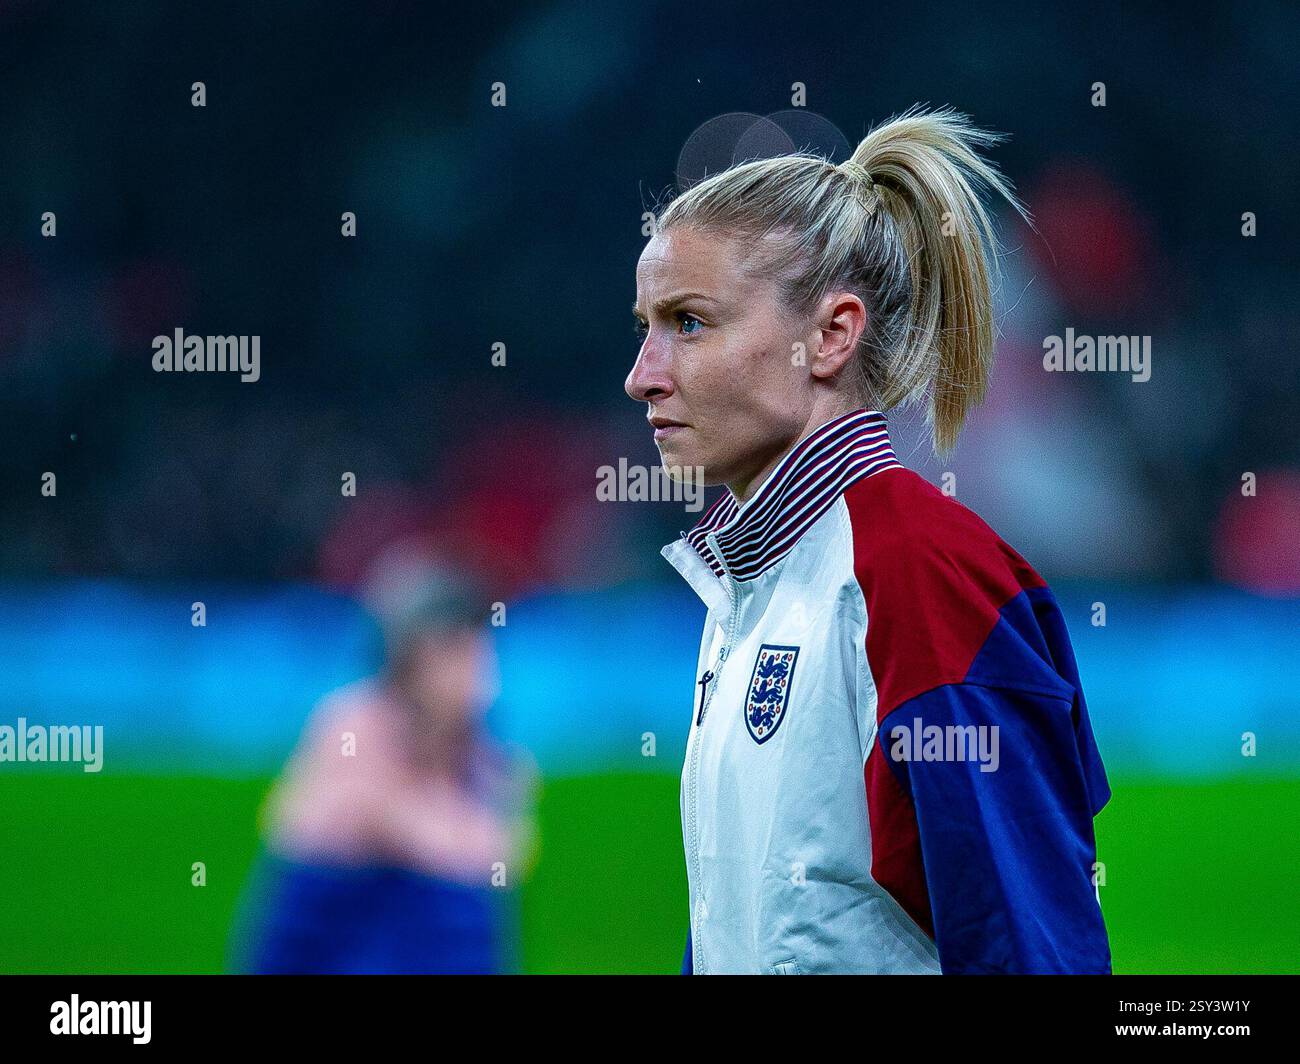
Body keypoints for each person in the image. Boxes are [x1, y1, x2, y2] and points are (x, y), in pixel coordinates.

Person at [626, 107, 1111, 974]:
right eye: (646, 328)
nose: (643, 376)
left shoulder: (920, 573)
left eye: (689, 323)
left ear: (831, 335)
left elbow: (1031, 947)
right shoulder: (749, 585)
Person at [233, 552, 533, 974]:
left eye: (470, 647)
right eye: (448, 650)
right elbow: (342, 823)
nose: (470, 667)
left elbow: (503, 851)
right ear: (407, 656)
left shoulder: (482, 750)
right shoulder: (353, 721)